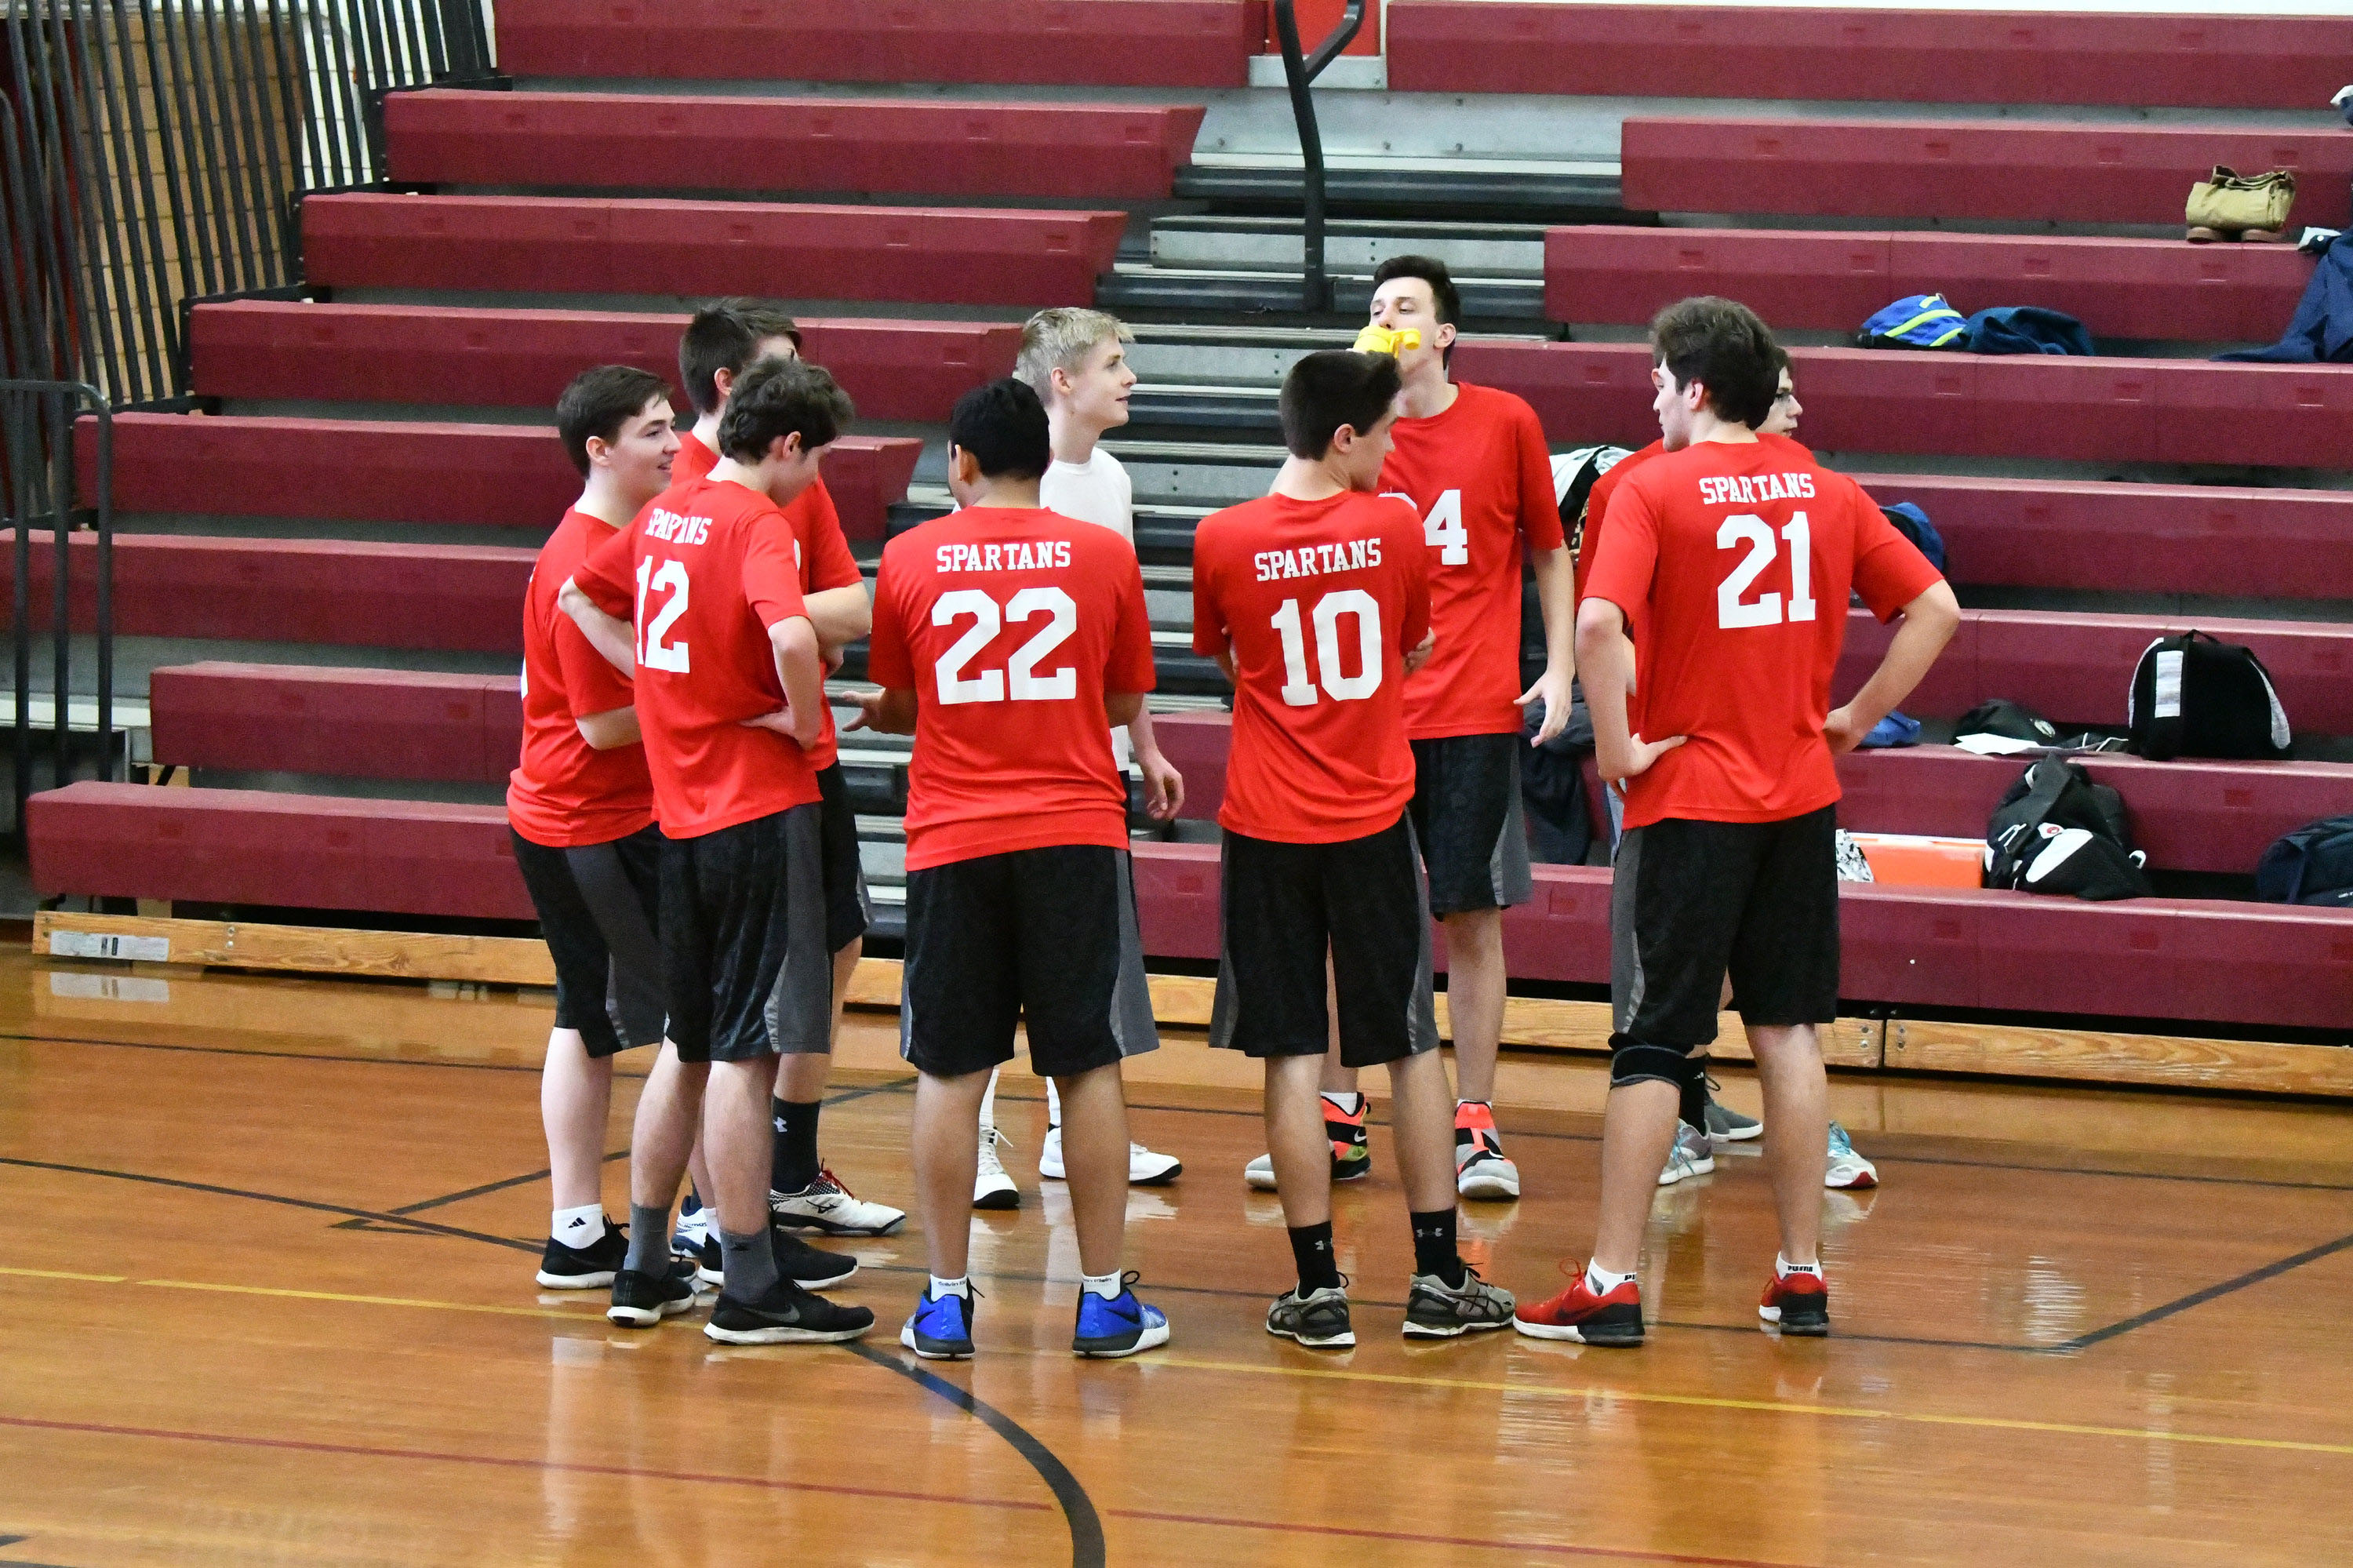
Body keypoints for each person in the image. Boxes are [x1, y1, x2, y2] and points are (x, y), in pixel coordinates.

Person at [1511, 298, 1956, 1347]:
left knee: (1653, 1040)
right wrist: (1856, 717)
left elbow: (1595, 622)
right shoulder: (1826, 487)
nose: (1652, 397)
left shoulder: (1650, 486)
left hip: (1688, 800)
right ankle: (1801, 1276)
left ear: (1696, 388)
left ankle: (1611, 1280)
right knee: (1789, 1030)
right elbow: (1935, 608)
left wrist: (1615, 749)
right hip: (1797, 798)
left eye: (1661, 380)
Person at [1195, 349, 1517, 1348]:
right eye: (1381, 435)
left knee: (1293, 1053)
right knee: (1410, 1045)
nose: (1390, 452)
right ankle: (1437, 1279)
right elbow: (1413, 646)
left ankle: (1316, 1290)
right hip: (1371, 820)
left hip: (1264, 825)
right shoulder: (1394, 527)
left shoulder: (1221, 536)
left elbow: (1231, 658)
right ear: (1344, 439)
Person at [1240, 256, 1574, 1205]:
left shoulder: (1505, 420)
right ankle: (1339, 1117)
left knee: (1470, 915)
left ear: (1445, 332)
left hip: (1471, 711)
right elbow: (1286, 521)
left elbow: (1550, 550)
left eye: (1406, 307)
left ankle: (1475, 1120)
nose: (1388, 316)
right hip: (1364, 718)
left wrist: (1558, 668)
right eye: (1376, 306)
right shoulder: (1349, 437)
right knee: (1347, 925)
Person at [560, 358, 877, 1346]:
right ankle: (749, 1282)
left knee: (688, 1043)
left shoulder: (668, 513)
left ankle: (646, 1264)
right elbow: (795, 636)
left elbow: (582, 596)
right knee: (748, 1050)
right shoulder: (756, 524)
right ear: (789, 445)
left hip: (682, 816)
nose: (815, 477)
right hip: (756, 811)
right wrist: (802, 718)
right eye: (816, 459)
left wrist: (666, 693)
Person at [857, 377, 1171, 1362]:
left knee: (952, 1072)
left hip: (954, 842)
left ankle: (945, 1301)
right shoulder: (1103, 555)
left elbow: (900, 701)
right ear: (1043, 455)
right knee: (1086, 1066)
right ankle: (1105, 1301)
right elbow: (1124, 700)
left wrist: (903, 713)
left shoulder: (909, 558)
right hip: (1074, 836)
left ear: (960, 460)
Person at [667, 300, 906, 1249]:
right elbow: (798, 626)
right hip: (731, 776)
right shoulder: (689, 485)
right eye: (784, 369)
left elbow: (855, 605)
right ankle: (716, 1216)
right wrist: (777, 622)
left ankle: (791, 1172)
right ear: (735, 389)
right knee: (728, 1019)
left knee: (835, 948)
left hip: (804, 762)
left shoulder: (794, 474)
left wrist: (775, 613)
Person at [966, 307, 1184, 1208]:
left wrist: (1146, 745)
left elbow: (1122, 634)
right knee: (987, 975)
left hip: (1092, 765)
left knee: (1081, 965)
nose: (1130, 377)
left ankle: (1070, 1133)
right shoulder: (1008, 479)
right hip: (1009, 771)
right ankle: (977, 1140)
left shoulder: (1114, 477)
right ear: (1061, 380)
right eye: (1113, 362)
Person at [511, 366, 682, 1311]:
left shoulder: (633, 539)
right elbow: (602, 724)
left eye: (672, 425)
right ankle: (700, 1226)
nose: (674, 444)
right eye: (653, 431)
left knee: (588, 1016)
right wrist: (711, 703)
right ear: (599, 450)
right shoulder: (583, 559)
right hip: (590, 826)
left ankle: (577, 1230)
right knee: (683, 1026)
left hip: (589, 819)